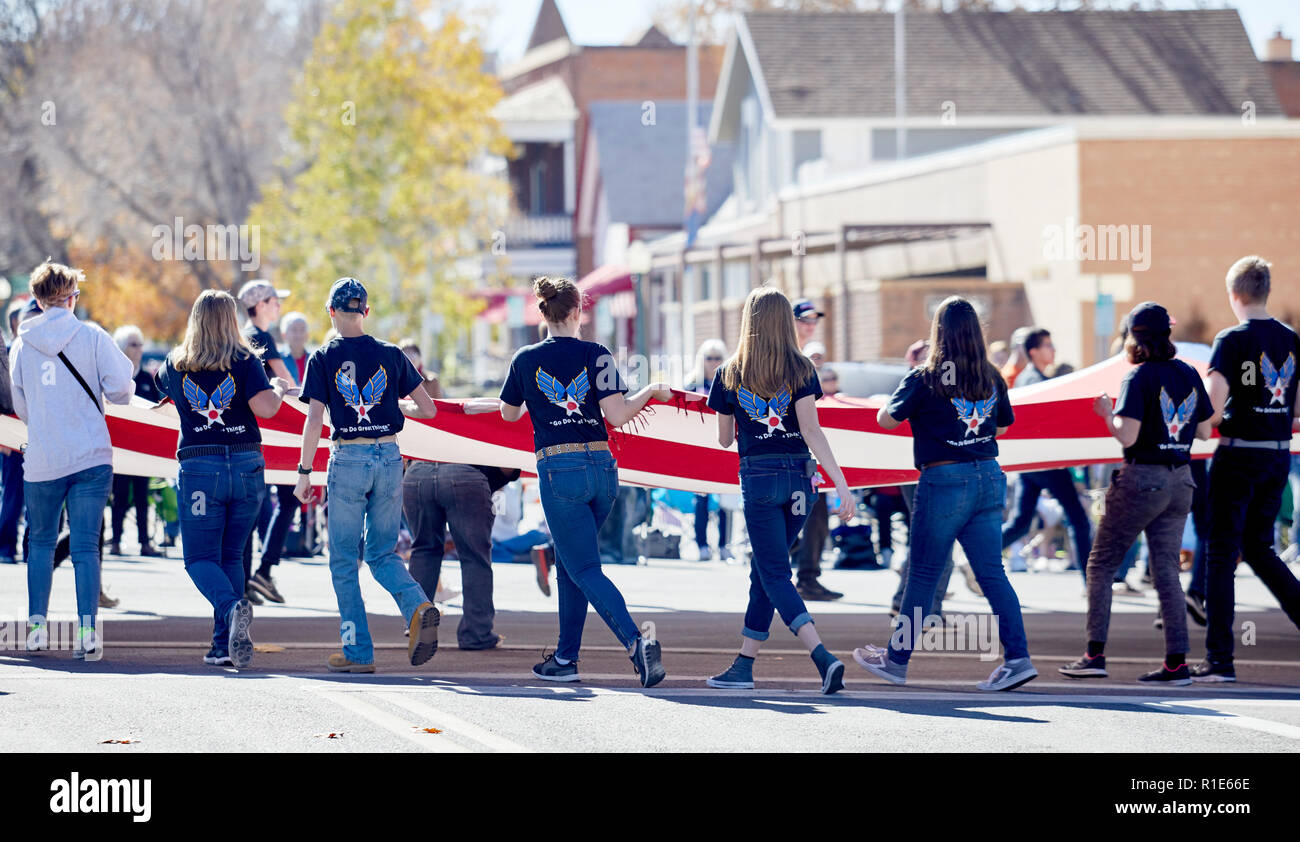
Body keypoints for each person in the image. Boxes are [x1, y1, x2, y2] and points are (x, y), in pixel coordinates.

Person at [494, 276, 670, 687]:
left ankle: (634, 642)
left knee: (584, 566)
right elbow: (619, 415)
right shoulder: (598, 354)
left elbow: (508, 414)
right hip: (603, 469)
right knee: (572, 563)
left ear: (543, 313)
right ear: (577, 313)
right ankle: (565, 657)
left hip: (560, 470)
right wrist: (648, 391)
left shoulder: (525, 358)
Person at [854, 296, 1037, 691]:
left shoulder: (926, 375)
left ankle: (896, 659)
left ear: (939, 333)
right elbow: (1003, 428)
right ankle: (1018, 659)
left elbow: (886, 419)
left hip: (944, 481)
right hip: (988, 475)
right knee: (992, 574)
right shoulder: (990, 374)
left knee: (923, 573)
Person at [705, 287, 854, 694]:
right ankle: (744, 664)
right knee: (766, 572)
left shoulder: (729, 373)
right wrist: (841, 485)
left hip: (759, 477)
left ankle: (822, 656)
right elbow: (811, 430)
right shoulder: (803, 367)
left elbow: (723, 440)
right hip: (802, 480)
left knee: (773, 572)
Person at [1059, 302, 1212, 684]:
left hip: (1143, 477)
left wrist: (1106, 413)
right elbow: (1208, 431)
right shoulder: (1189, 373)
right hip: (1181, 480)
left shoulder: (1137, 377)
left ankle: (1094, 655)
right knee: (1167, 572)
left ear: (1134, 337)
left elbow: (1127, 434)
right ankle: (1176, 662)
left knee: (1101, 564)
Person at [293, 277, 442, 673]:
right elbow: (428, 410)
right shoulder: (392, 354)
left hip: (349, 459)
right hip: (391, 456)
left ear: (331, 312)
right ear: (366, 312)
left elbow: (313, 422)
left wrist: (304, 472)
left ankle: (358, 652)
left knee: (344, 559)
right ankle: (419, 604)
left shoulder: (322, 357)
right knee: (381, 553)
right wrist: (394, 410)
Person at [155, 291, 293, 668]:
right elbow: (266, 408)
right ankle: (222, 645)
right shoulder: (246, 359)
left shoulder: (175, 362)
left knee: (199, 557)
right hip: (247, 462)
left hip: (201, 466)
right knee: (232, 555)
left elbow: (158, 389)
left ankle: (232, 609)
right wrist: (278, 388)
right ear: (231, 319)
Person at [11, 260, 135, 658]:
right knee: (86, 546)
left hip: (44, 456)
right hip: (89, 455)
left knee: (41, 544)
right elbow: (121, 390)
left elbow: (21, 405)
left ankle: (35, 627)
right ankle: (86, 632)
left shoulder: (21, 343)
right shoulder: (93, 336)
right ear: (72, 297)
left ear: (37, 299)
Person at [1195, 257, 1300, 683]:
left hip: (1238, 454)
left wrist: (1201, 425)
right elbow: (1296, 410)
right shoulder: (1292, 339)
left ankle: (1220, 660)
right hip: (1277, 454)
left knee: (1221, 553)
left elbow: (1214, 407)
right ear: (1266, 291)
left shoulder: (1231, 339)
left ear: (1234, 294)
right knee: (1260, 549)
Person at [1000, 328, 1094, 579]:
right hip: (1044, 464)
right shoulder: (1034, 381)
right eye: (1048, 345)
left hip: (1032, 463)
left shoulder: (1031, 378)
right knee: (1078, 519)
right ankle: (1092, 585)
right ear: (1033, 351)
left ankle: (974, 558)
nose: (1053, 350)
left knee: (1020, 523)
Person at [401, 457, 518, 650]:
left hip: (417, 473)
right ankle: (476, 633)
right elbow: (507, 464)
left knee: (424, 550)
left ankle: (415, 622)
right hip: (465, 471)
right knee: (474, 557)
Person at [238, 279, 298, 605]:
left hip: (253, 434)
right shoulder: (260, 337)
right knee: (290, 497)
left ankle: (251, 576)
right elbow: (288, 383)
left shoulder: (244, 337)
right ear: (260, 305)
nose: (279, 307)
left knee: (254, 506)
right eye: (276, 301)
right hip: (271, 433)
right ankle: (261, 571)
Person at [789, 297, 841, 600]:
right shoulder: (790, 356)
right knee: (798, 511)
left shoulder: (803, 358)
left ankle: (807, 576)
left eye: (813, 320)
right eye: (804, 319)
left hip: (805, 446)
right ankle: (783, 575)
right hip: (787, 446)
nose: (810, 325)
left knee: (816, 511)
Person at [108, 325, 160, 559]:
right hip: (119, 448)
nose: (139, 349)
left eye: (140, 344)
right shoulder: (115, 375)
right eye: (134, 344)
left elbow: (158, 410)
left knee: (142, 497)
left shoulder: (148, 379)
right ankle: (116, 540)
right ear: (122, 348)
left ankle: (144, 542)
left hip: (143, 448)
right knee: (119, 497)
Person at [685, 338, 731, 560]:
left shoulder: (730, 384)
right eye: (709, 358)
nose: (713, 362)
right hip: (699, 448)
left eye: (718, 358)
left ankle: (724, 545)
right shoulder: (691, 385)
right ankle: (701, 544)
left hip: (723, 447)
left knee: (725, 499)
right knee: (701, 498)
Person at [0, 300, 28, 564]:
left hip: (35, 432)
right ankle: (6, 547)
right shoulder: (6, 352)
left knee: (37, 495)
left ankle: (31, 548)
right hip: (11, 435)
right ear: (13, 324)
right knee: (13, 493)